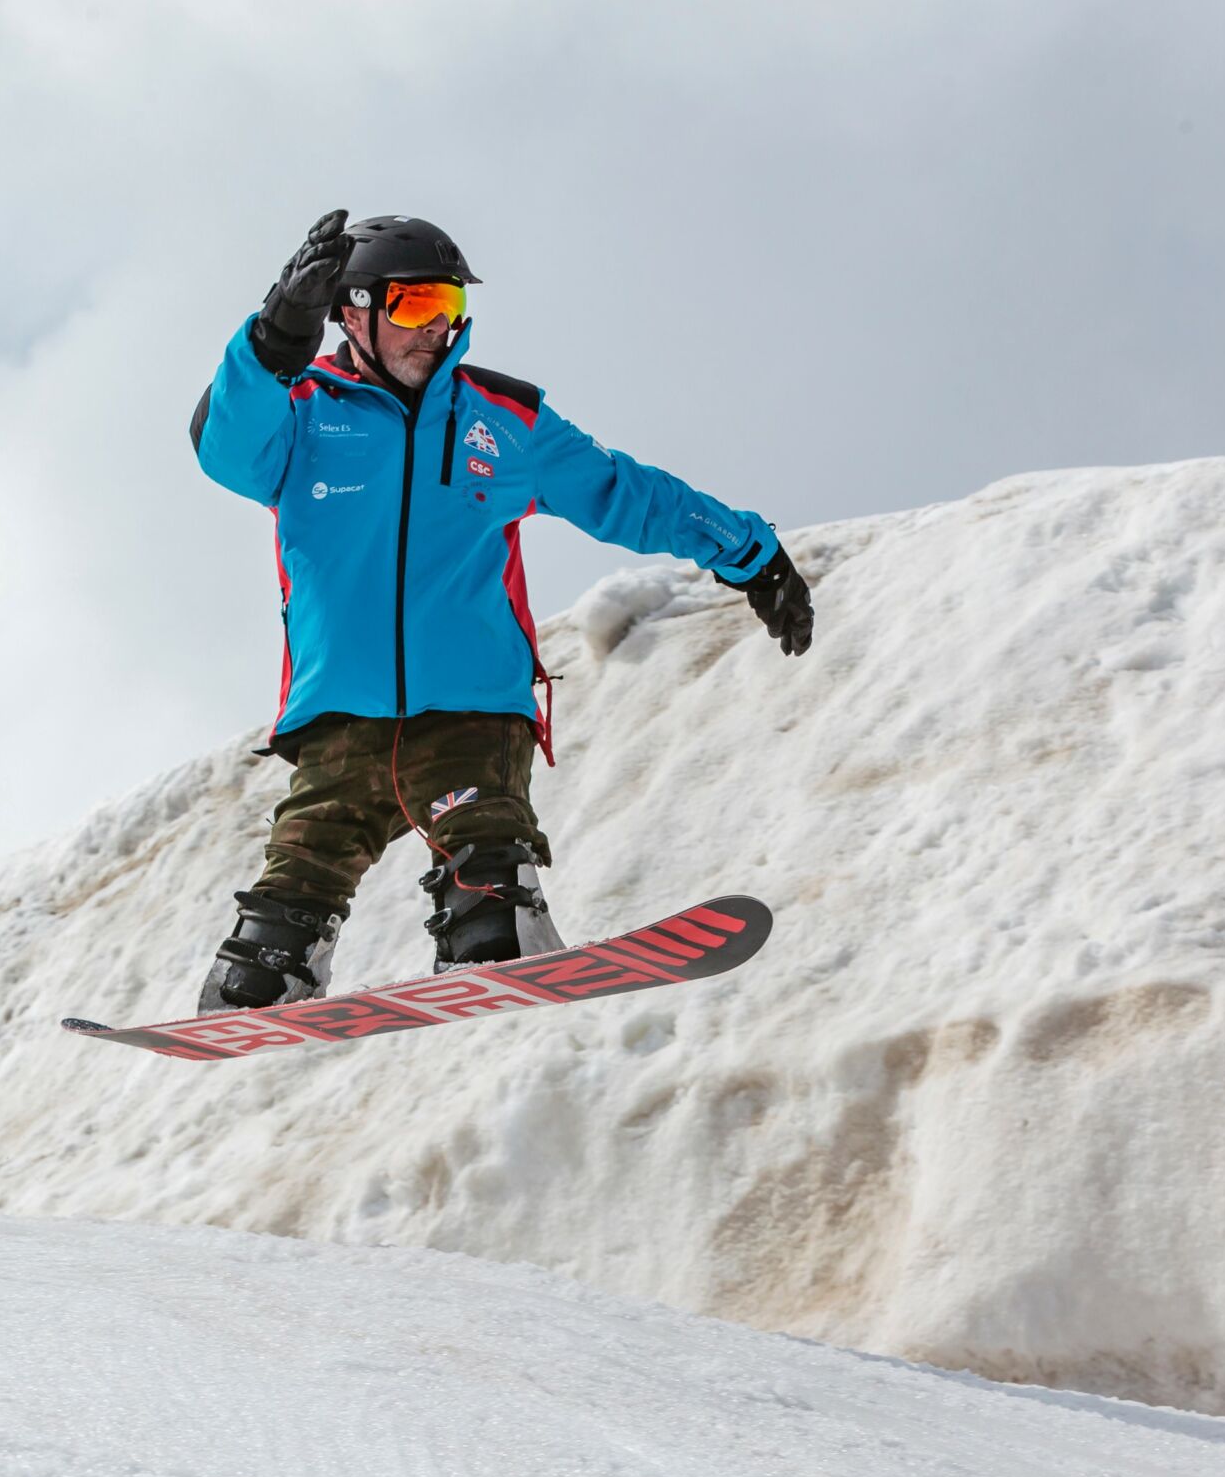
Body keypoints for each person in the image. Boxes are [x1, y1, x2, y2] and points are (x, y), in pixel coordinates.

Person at [185, 209, 811, 1013]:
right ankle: (261, 992)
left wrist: (748, 550)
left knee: (487, 894)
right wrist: (277, 340)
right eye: (415, 303)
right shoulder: (299, 413)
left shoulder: (503, 421)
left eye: (449, 304)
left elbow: (626, 492)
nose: (437, 327)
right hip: (340, 712)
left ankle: (500, 943)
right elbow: (225, 449)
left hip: (473, 705)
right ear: (352, 311)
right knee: (286, 903)